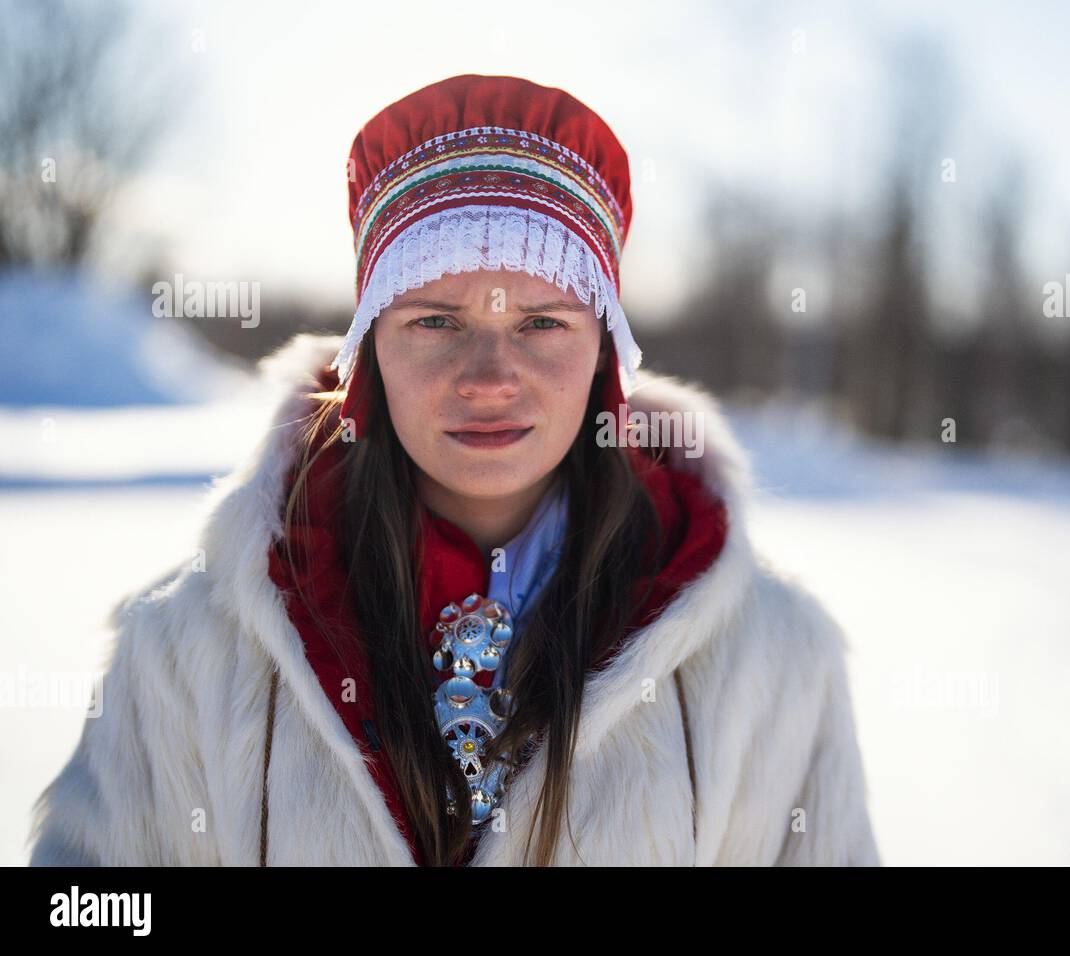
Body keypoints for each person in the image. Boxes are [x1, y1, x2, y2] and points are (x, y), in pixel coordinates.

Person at [27, 74, 880, 866]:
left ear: (605, 362)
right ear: (370, 353)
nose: (489, 377)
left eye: (542, 323)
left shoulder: (774, 662)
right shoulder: (186, 650)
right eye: (435, 322)